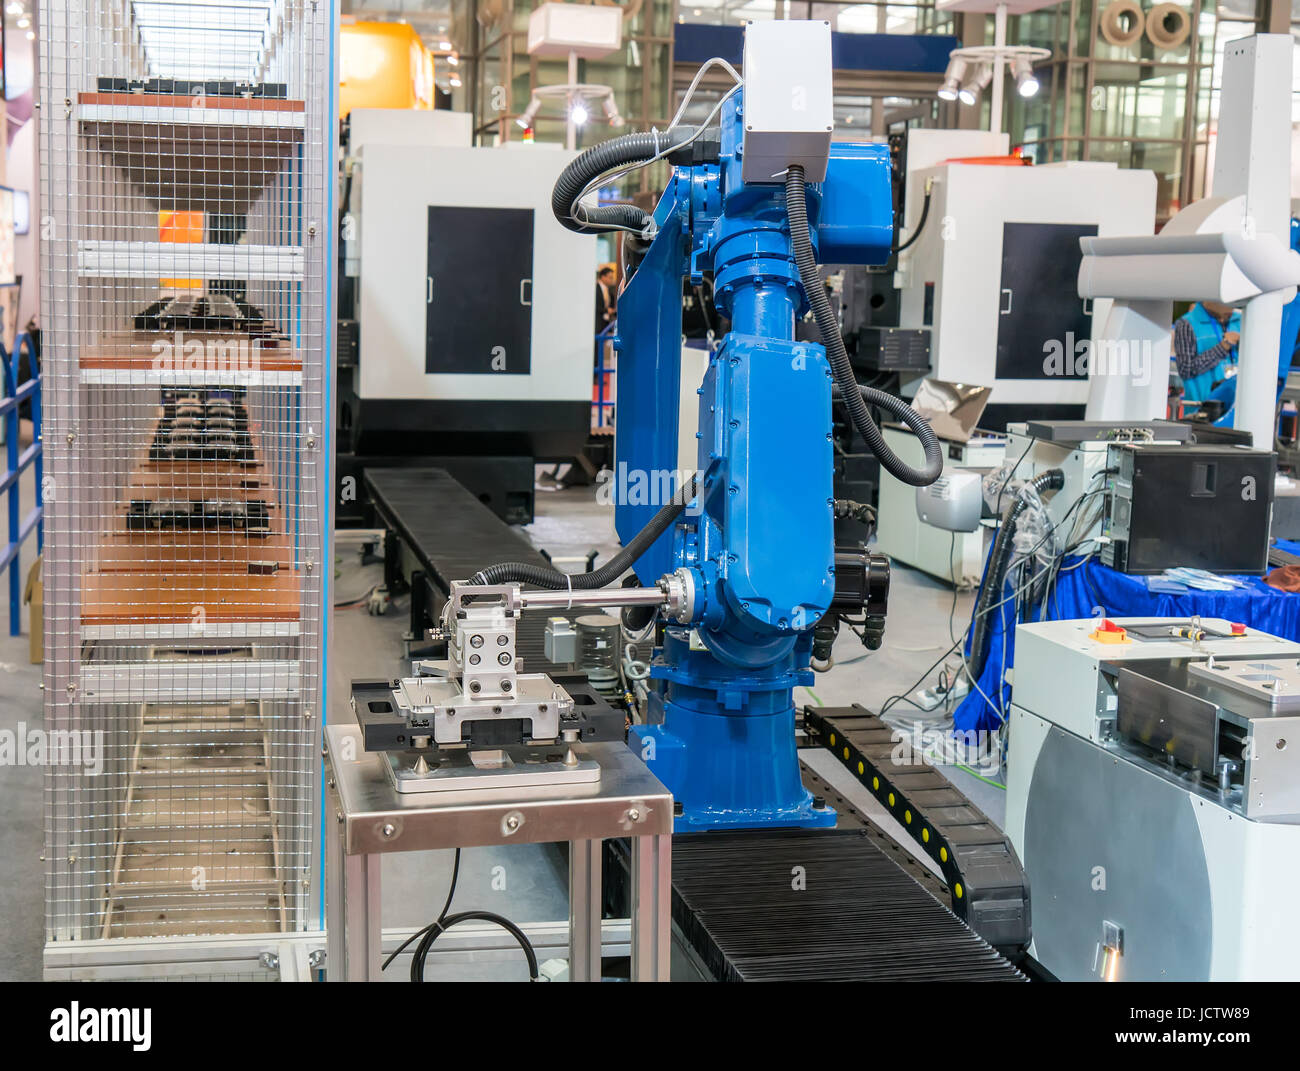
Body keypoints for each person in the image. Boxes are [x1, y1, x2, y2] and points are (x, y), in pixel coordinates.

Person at [1173, 299, 1241, 409]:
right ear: (1209, 299)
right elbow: (1186, 369)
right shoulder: (1187, 324)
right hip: (1202, 411)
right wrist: (1223, 347)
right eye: (1228, 303)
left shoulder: (1240, 320)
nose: (1232, 308)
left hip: (1236, 408)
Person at [595, 266, 616, 334]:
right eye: (610, 277)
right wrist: (607, 310)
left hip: (606, 324)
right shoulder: (595, 289)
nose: (612, 280)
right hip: (596, 324)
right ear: (603, 277)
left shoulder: (610, 292)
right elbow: (595, 306)